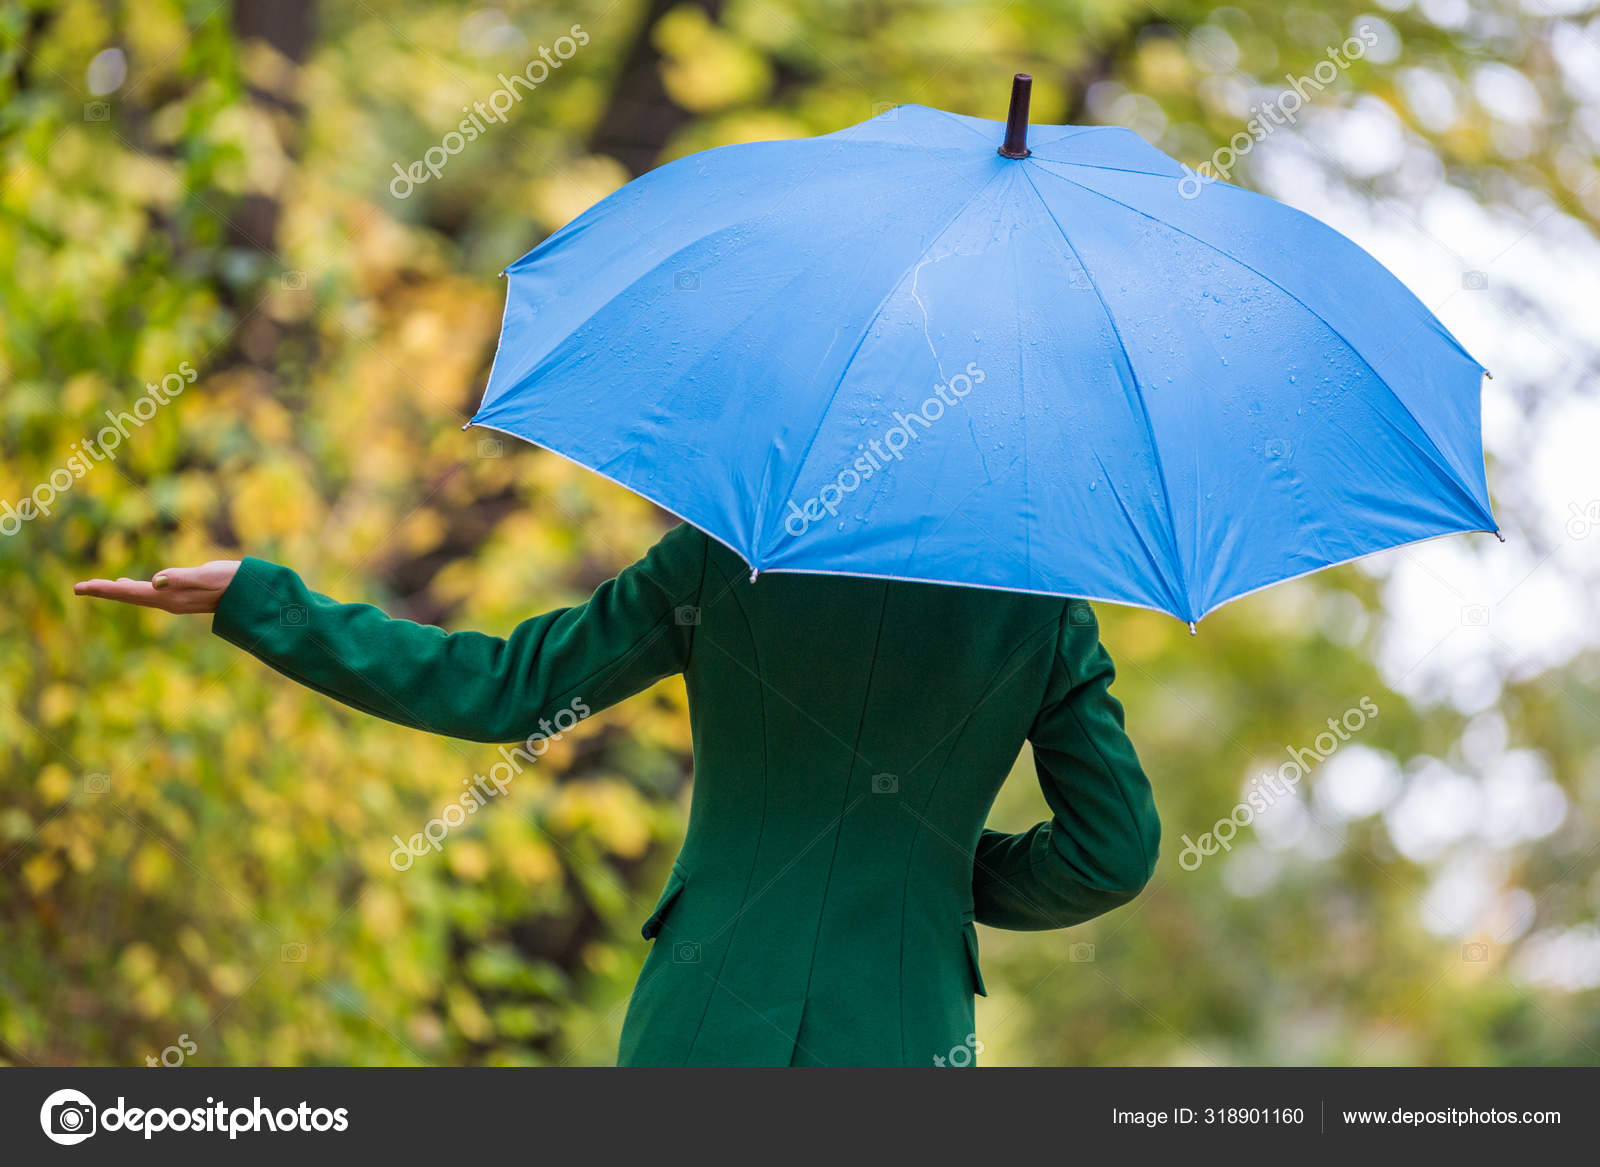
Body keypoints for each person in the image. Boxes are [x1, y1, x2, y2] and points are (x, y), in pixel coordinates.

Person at [76, 521, 1160, 1066]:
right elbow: (1110, 851)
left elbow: (508, 689)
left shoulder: (726, 561)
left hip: (703, 1016)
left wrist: (271, 603)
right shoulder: (1040, 612)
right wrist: (923, 867)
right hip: (905, 1034)